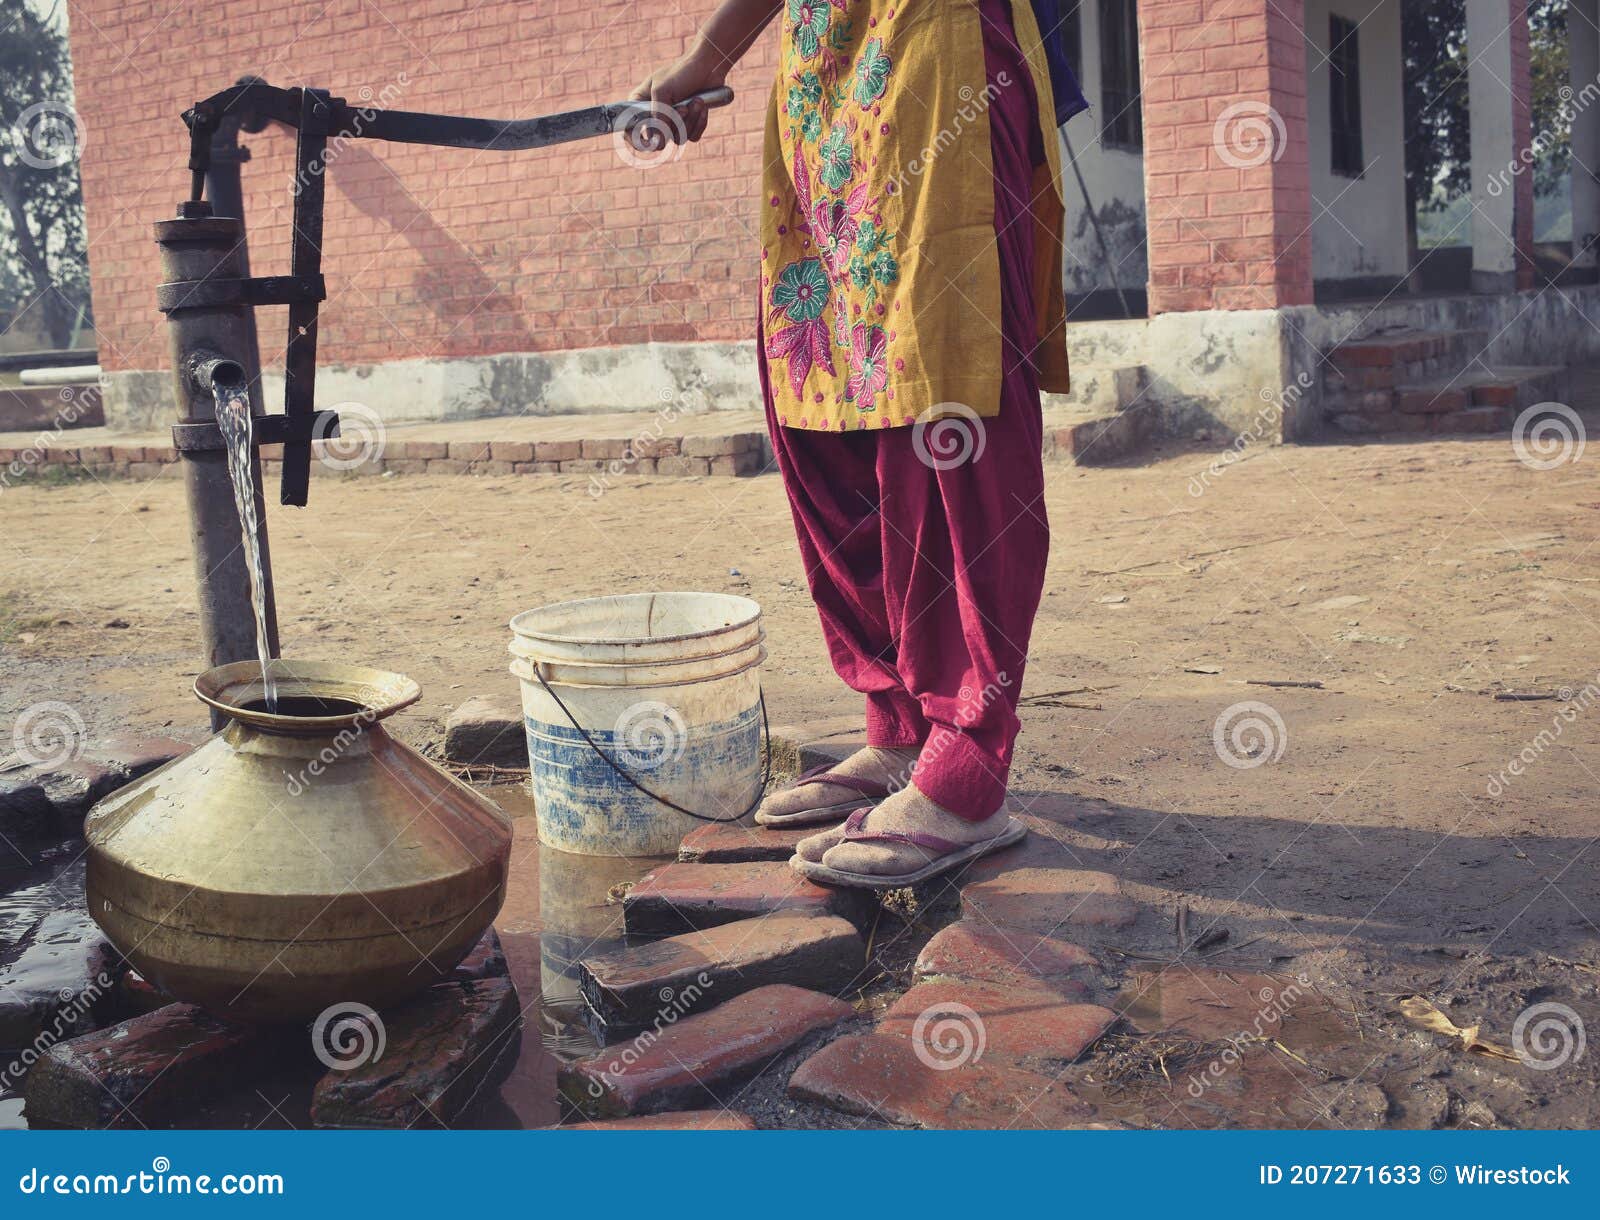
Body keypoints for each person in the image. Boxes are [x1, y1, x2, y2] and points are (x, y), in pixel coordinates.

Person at [635, 0, 1084, 888]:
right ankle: (902, 725)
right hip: (823, 69)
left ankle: (967, 770)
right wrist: (706, 58)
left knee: (943, 400)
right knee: (824, 406)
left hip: (936, 49)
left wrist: (702, 58)